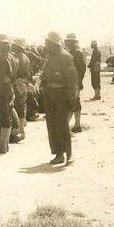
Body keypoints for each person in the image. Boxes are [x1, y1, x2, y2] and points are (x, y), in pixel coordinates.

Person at [39, 32, 79, 165]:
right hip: (50, 94)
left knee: (62, 125)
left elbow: (72, 80)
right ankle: (59, 154)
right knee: (52, 125)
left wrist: (72, 98)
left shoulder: (65, 56)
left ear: (53, 43)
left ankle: (69, 154)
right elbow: (45, 75)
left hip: (62, 95)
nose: (45, 44)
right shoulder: (50, 57)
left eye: (47, 42)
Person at [0, 34, 17, 153]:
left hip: (1, 90)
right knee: (8, 116)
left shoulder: (0, 58)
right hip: (9, 88)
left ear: (2, 45)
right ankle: (5, 144)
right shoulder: (12, 57)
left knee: (2, 117)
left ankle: (2, 145)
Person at [64, 34, 86, 133]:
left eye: (68, 42)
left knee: (73, 103)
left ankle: (72, 125)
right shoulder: (72, 52)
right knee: (75, 103)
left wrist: (78, 82)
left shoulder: (76, 53)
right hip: (72, 82)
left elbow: (82, 69)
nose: (66, 43)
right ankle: (76, 125)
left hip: (74, 83)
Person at [11, 38, 31, 141]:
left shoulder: (16, 57)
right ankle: (22, 129)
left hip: (17, 84)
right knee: (22, 106)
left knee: (17, 106)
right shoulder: (25, 57)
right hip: (23, 83)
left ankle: (20, 130)